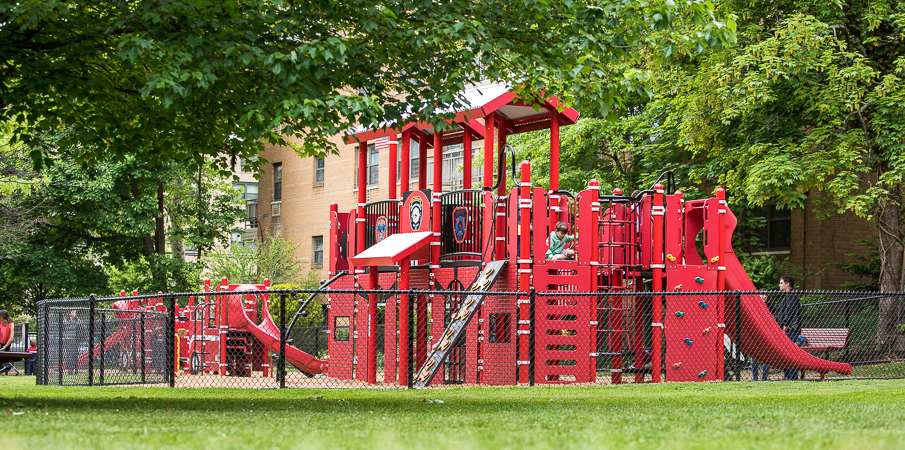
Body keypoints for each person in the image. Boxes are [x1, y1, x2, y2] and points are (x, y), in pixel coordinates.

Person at [774, 276, 801, 380]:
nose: (780, 285)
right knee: (786, 352)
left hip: (791, 329)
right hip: (789, 328)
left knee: (790, 353)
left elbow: (789, 312)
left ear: (787, 284)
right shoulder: (787, 296)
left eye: (781, 283)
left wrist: (785, 324)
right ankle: (788, 375)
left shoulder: (791, 296)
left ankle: (792, 376)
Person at [63, 310, 84, 375]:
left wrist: (79, 338)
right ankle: (69, 370)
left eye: (75, 312)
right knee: (68, 355)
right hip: (68, 341)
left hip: (75, 341)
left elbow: (82, 329)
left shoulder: (78, 321)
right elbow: (62, 330)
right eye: (73, 312)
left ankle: (76, 369)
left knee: (75, 355)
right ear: (69, 313)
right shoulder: (65, 321)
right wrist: (65, 336)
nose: (74, 313)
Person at [0, 310, 15, 375]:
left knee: (6, 355)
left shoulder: (10, 324)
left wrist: (5, 347)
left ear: (3, 317)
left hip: (7, 342)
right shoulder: (0, 323)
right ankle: (2, 369)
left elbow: (11, 338)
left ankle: (6, 372)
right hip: (1, 341)